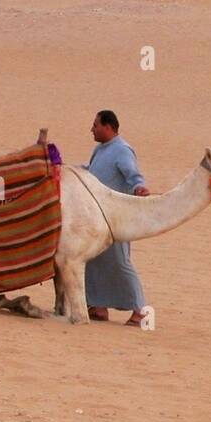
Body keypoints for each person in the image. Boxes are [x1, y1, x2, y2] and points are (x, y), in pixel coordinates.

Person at [83, 110, 150, 325]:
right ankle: (99, 307)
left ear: (109, 127)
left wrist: (139, 187)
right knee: (93, 261)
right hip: (96, 217)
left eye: (95, 125)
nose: (91, 129)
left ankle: (140, 311)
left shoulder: (122, 150)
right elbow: (92, 171)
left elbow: (133, 175)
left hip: (116, 217)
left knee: (120, 262)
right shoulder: (99, 149)